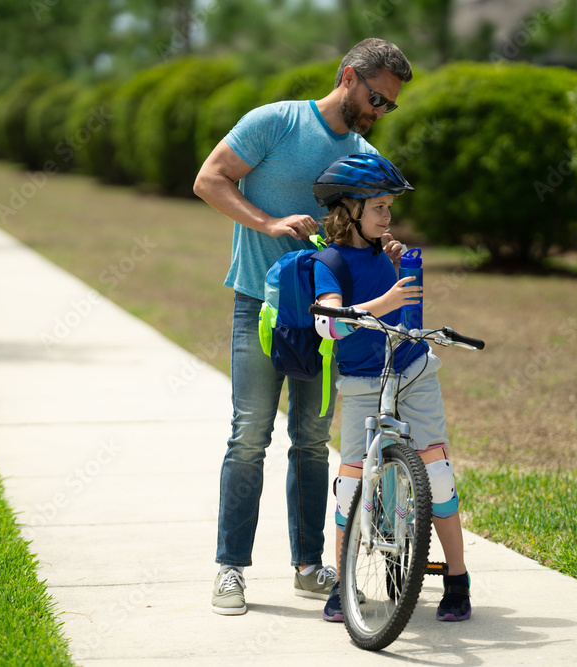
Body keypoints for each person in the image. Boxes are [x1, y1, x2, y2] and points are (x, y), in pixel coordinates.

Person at [193, 39, 413, 616]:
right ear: (348, 76)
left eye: (388, 106)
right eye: (375, 98)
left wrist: (382, 242)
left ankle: (310, 567)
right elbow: (210, 180)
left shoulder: (361, 153)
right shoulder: (276, 121)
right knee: (249, 436)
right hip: (261, 308)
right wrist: (268, 222)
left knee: (312, 444)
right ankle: (230, 570)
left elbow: (358, 230)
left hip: (323, 319)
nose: (379, 112)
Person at [309, 153, 472, 623]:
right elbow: (329, 323)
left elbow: (408, 312)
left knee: (437, 475)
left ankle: (457, 579)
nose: (388, 216)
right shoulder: (331, 261)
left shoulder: (388, 252)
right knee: (350, 486)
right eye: (379, 207)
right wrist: (387, 299)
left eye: (389, 207)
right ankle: (345, 581)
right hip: (362, 382)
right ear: (350, 211)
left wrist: (399, 275)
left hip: (414, 371)